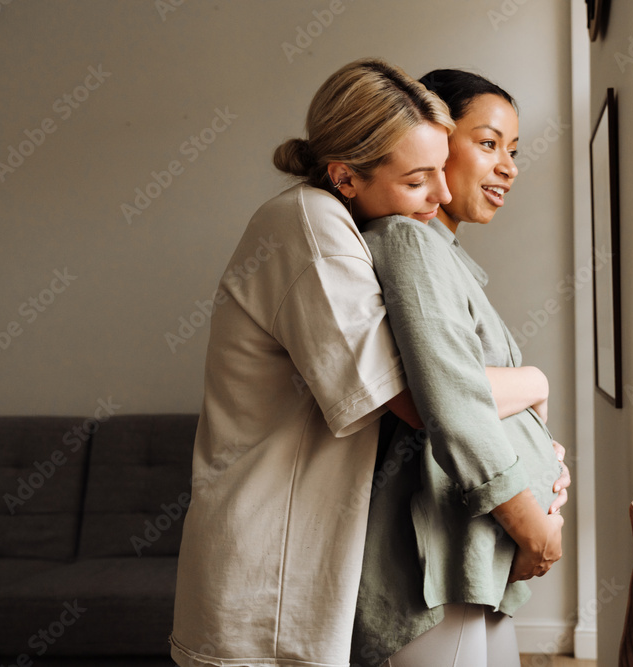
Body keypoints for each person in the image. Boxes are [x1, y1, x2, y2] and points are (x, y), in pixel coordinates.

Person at [170, 59, 566, 667]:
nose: (439, 195)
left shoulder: (349, 226)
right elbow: (424, 397)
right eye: (419, 179)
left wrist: (538, 452)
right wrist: (535, 387)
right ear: (345, 176)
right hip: (275, 557)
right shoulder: (316, 232)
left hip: (322, 540)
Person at [350, 70, 568, 667]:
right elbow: (448, 401)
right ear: (434, 139)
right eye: (489, 143)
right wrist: (533, 529)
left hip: (473, 550)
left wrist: (541, 449)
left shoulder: (443, 256)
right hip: (440, 558)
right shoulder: (409, 242)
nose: (509, 167)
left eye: (513, 150)